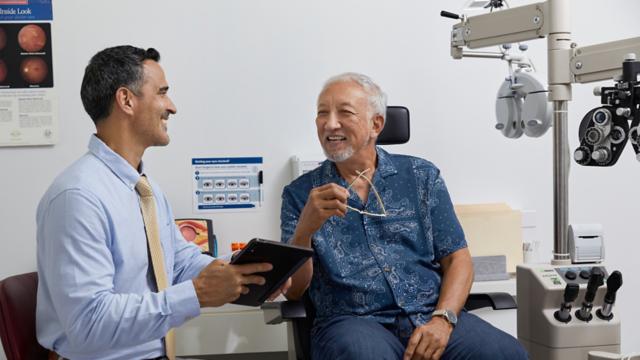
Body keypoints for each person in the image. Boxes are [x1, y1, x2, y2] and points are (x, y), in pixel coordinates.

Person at [36, 45, 280, 360]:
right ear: (126, 100)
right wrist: (197, 294)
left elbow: (178, 263)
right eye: (162, 93)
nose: (172, 106)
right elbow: (88, 324)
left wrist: (242, 273)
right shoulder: (78, 198)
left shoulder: (144, 189)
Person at [280, 72, 528, 360]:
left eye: (344, 112)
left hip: (428, 314)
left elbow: (458, 259)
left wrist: (443, 320)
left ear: (377, 124)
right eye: (322, 114)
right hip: (353, 323)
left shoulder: (421, 177)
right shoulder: (300, 195)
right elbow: (294, 292)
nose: (330, 123)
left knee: (506, 353)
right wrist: (304, 232)